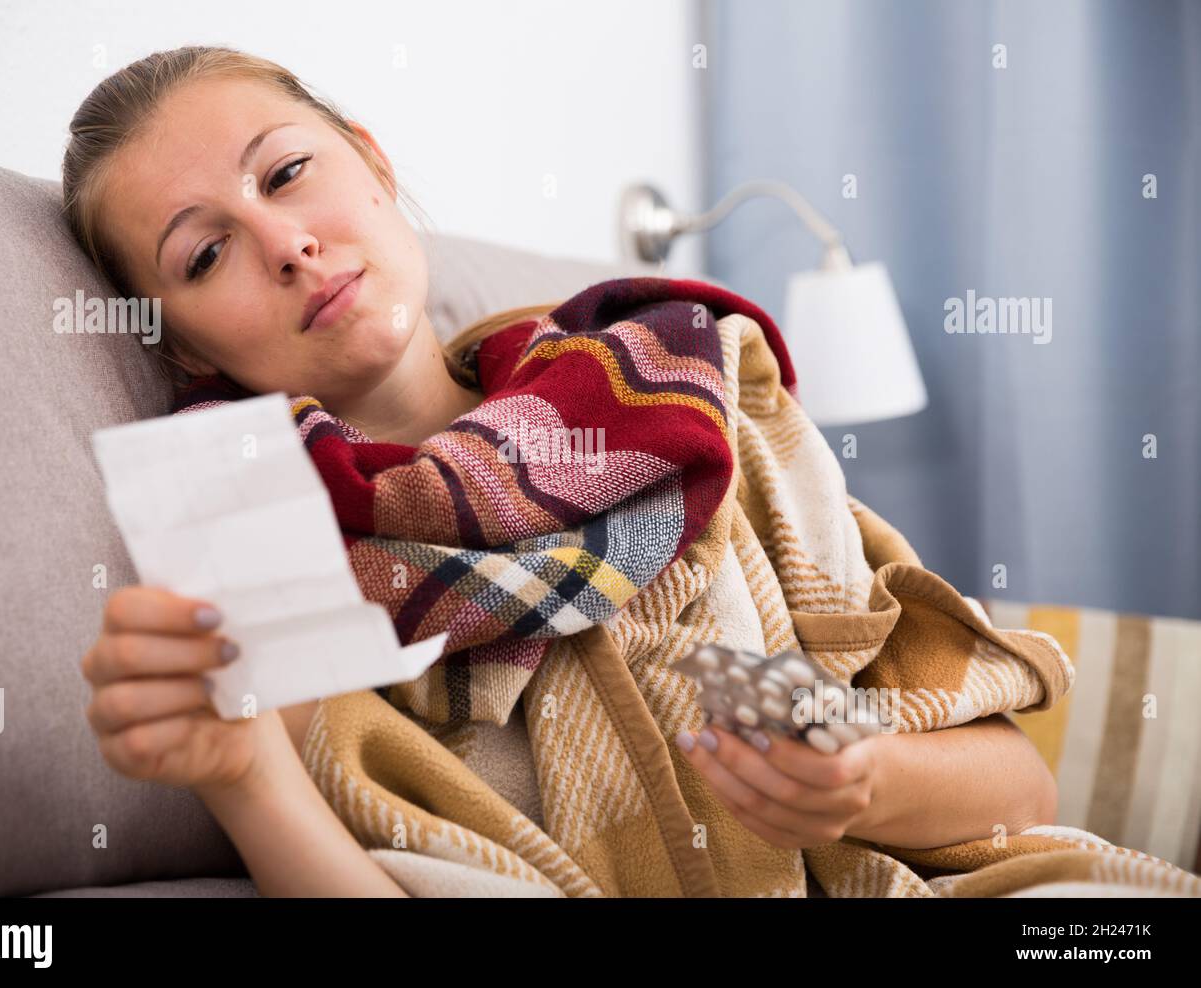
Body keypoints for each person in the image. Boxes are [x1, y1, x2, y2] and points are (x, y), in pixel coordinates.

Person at [66, 46, 1058, 897]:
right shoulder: (267, 565)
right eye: (203, 255)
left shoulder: (680, 390)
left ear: (372, 161)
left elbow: (1019, 787)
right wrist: (242, 776)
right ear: (183, 346)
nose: (286, 245)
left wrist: (863, 781)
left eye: (284, 175)